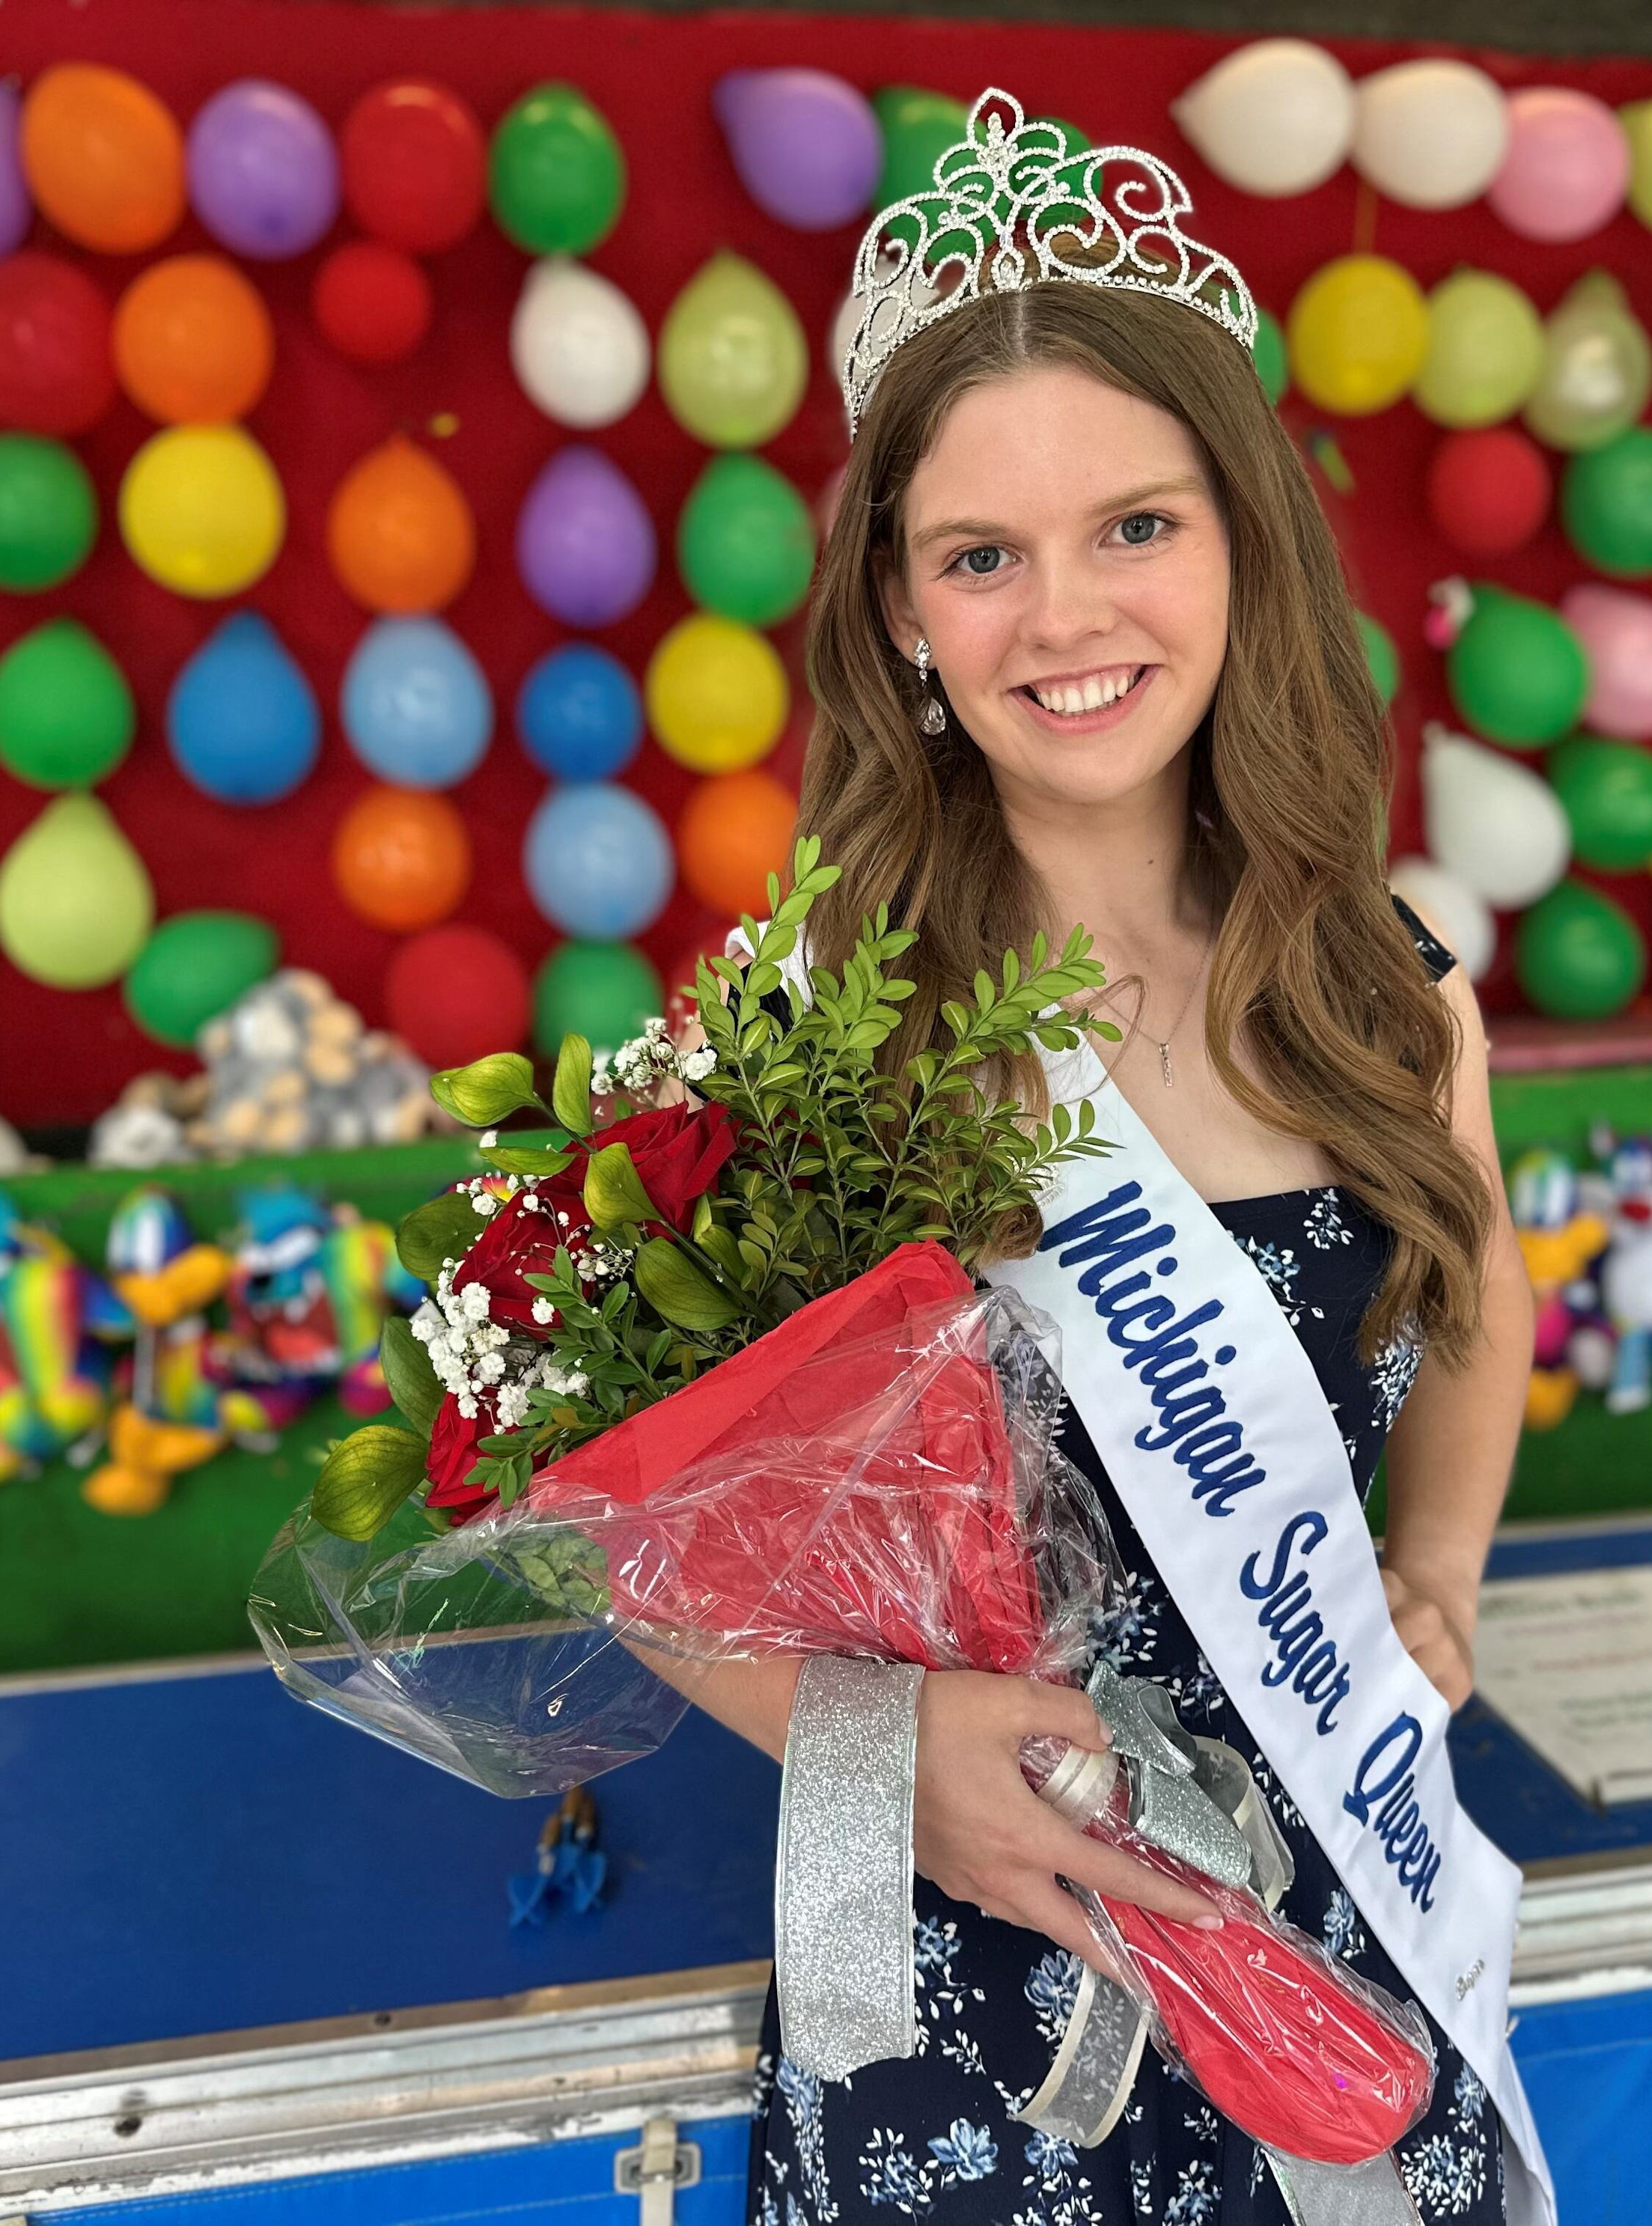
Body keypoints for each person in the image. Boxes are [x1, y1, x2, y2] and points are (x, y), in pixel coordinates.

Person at [651, 97, 1540, 2226]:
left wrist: (1440, 1572)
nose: (1066, 615)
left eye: (1136, 525)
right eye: (982, 556)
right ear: (900, 614)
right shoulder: (809, 1029)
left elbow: (1483, 1298)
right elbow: (638, 1524)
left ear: (1242, 540)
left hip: (1347, 1929)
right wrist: (877, 1761)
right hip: (980, 1979)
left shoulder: (1387, 992)